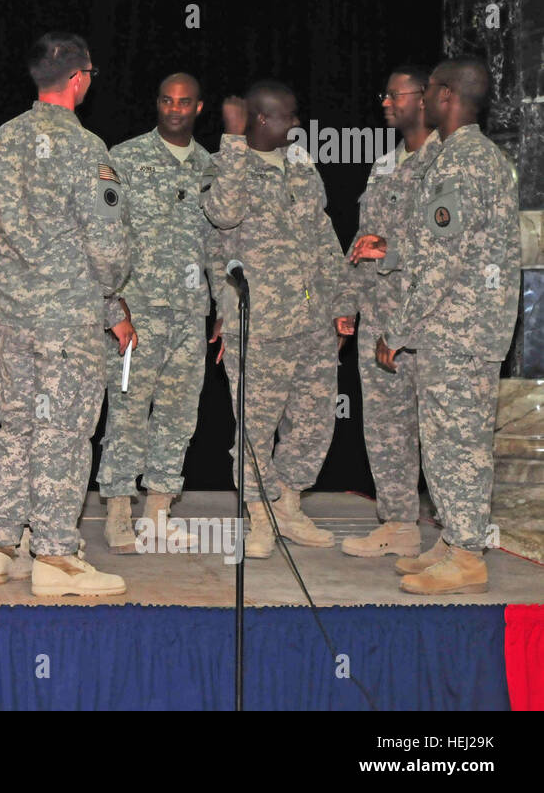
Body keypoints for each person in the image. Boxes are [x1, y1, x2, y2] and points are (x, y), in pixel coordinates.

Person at [0, 32, 135, 597]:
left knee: (17, 430)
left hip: (14, 323)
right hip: (68, 325)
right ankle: (56, 557)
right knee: (62, 434)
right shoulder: (89, 151)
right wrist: (109, 292)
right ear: (80, 78)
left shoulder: (3, 141)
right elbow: (109, 250)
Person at [358, 58, 520, 594]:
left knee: (457, 444)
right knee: (446, 440)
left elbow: (442, 263)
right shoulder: (471, 157)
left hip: (460, 331)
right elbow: (452, 244)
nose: (420, 98)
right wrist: (394, 249)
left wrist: (396, 330)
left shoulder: (461, 162)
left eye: (427, 90)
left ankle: (468, 553)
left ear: (446, 96)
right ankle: (453, 540)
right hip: (459, 327)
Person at [204, 81, 352, 558]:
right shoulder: (228, 168)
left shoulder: (301, 167)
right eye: (288, 116)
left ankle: (288, 506)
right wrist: (232, 139)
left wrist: (342, 304)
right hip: (261, 325)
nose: (297, 123)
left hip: (312, 322)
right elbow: (222, 218)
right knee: (255, 429)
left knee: (313, 423)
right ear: (262, 119)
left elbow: (324, 236)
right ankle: (259, 516)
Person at [99, 73, 215, 553]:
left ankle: (159, 515)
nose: (174, 109)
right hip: (138, 310)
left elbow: (221, 245)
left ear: (199, 108)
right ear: (157, 103)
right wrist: (114, 305)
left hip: (190, 314)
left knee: (178, 415)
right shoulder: (123, 159)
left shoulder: (212, 168)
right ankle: (119, 514)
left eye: (184, 102)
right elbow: (105, 236)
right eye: (166, 100)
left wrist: (224, 310)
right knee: (128, 412)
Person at [340, 66, 440, 559]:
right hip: (379, 319)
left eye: (394, 94)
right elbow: (364, 243)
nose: (385, 101)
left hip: (429, 320)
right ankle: (399, 524)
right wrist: (348, 306)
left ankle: (455, 538)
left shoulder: (447, 164)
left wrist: (393, 248)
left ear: (424, 99)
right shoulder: (384, 165)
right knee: (385, 428)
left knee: (441, 433)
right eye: (383, 93)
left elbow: (451, 247)